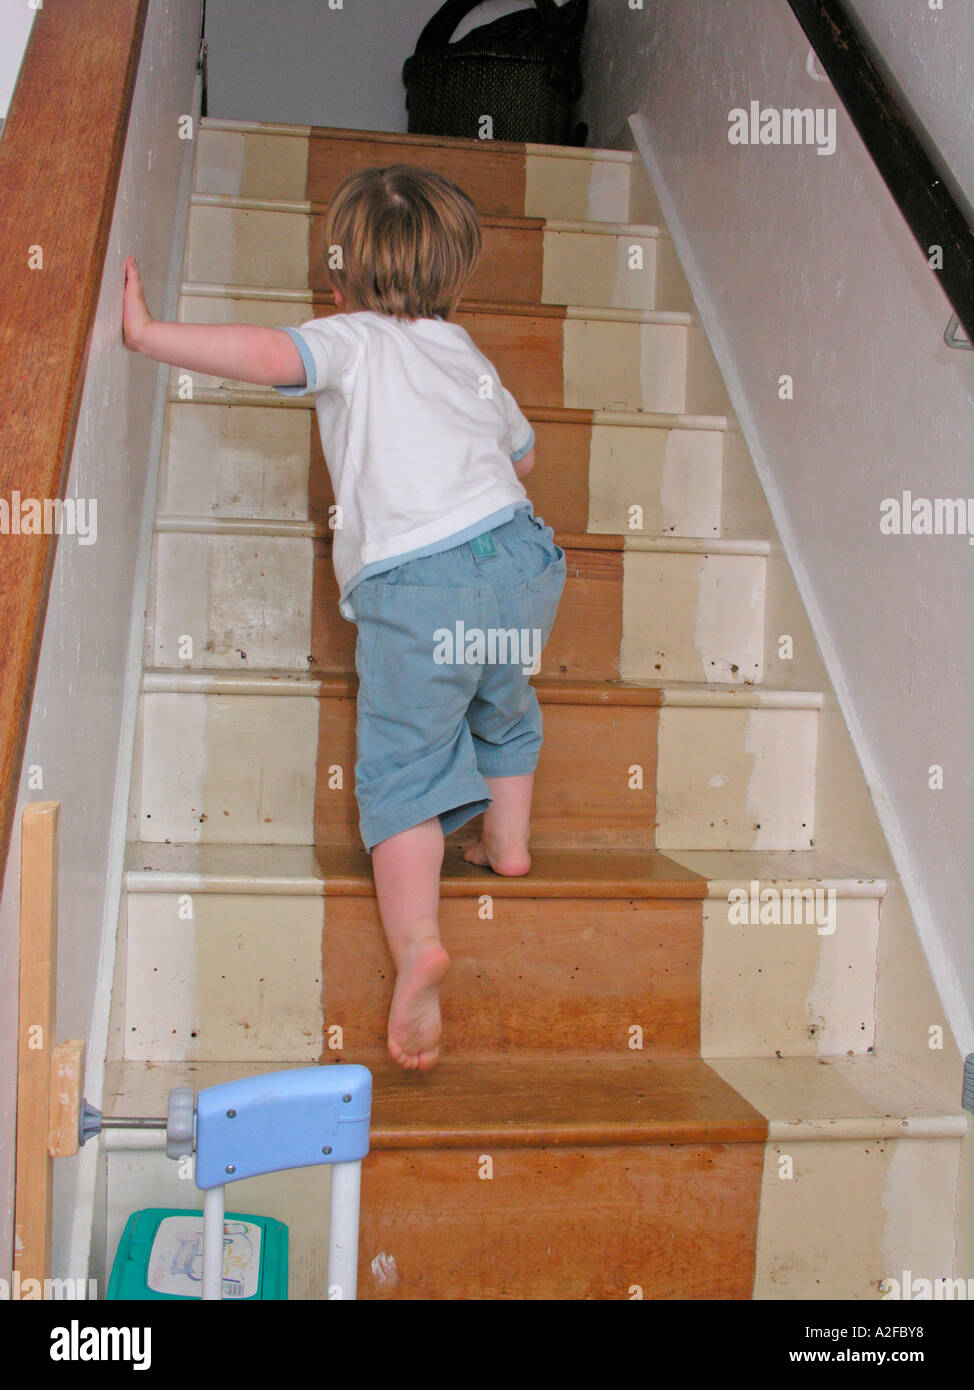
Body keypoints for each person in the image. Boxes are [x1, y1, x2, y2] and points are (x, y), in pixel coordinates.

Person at [123, 163, 566, 1074]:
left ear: (336, 283)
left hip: (420, 583)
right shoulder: (467, 352)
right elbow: (521, 456)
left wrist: (149, 332)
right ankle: (509, 844)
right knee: (505, 700)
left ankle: (417, 947)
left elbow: (261, 355)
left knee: (406, 761)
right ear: (454, 274)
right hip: (523, 561)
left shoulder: (349, 340)